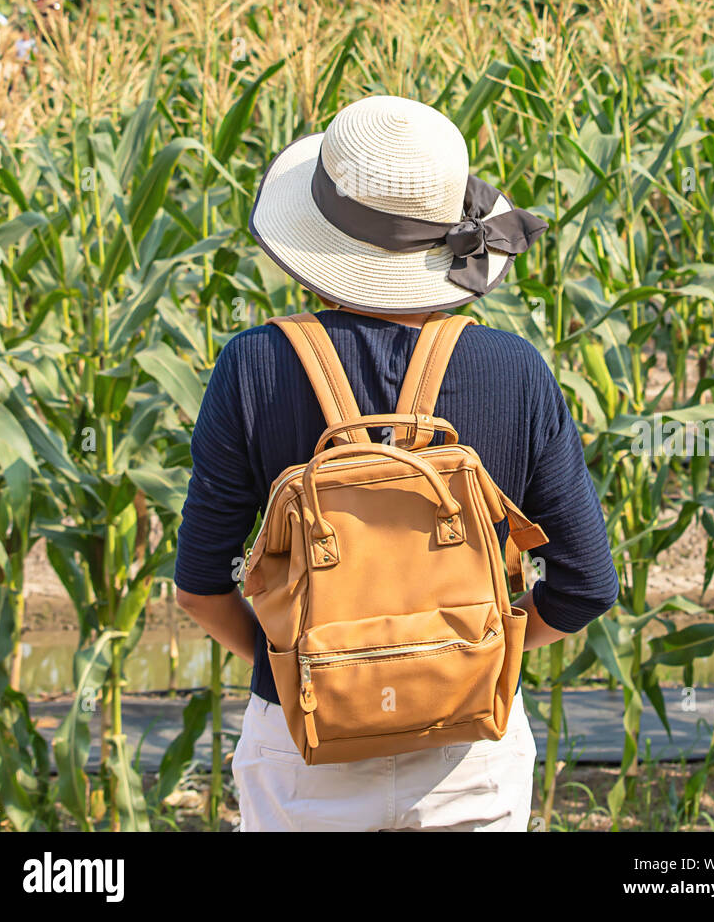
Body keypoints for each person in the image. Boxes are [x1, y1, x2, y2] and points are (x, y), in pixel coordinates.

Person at [174, 94, 619, 832]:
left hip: (301, 743)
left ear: (313, 242)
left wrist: (296, 664)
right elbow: (586, 588)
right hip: (468, 743)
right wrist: (474, 655)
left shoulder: (251, 366)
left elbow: (199, 588)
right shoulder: (514, 369)